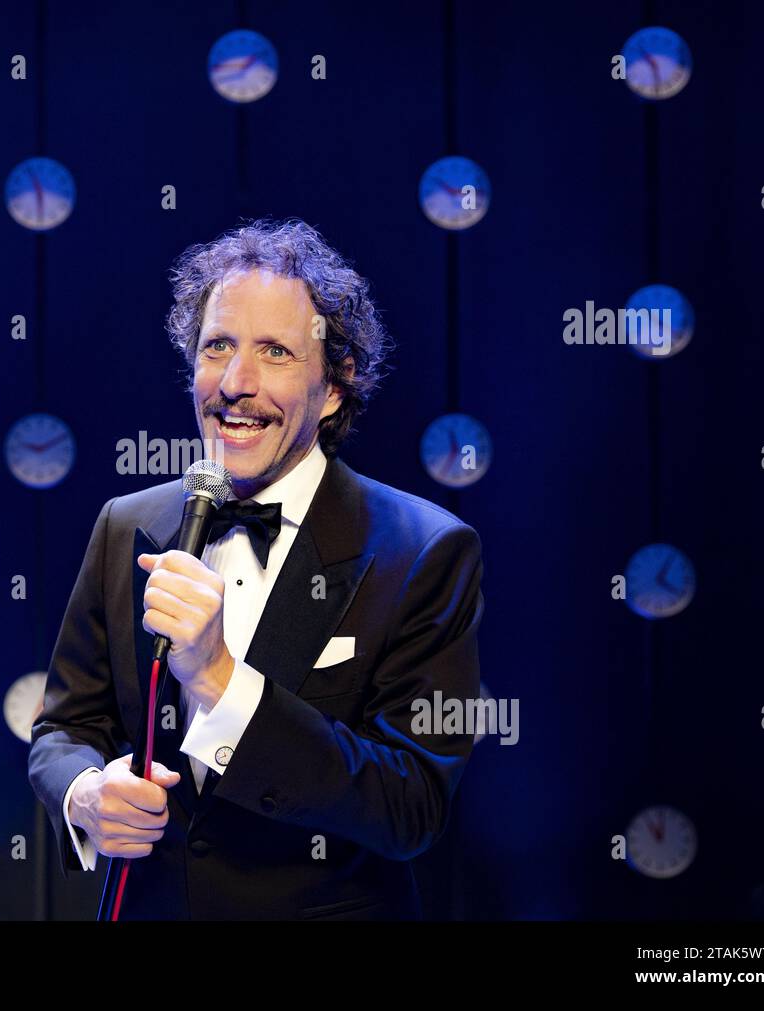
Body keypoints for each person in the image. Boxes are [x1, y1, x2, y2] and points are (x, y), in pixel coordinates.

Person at [28, 217, 484, 919]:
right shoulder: (128, 523)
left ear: (333, 385)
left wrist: (219, 678)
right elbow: (65, 727)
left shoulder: (423, 551)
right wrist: (85, 793)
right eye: (218, 347)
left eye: (275, 351)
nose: (237, 383)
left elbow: (410, 806)